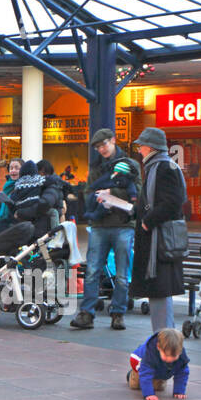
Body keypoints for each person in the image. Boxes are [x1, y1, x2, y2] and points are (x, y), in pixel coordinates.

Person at [73, 128, 142, 331]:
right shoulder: (96, 168)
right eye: (97, 147)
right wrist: (97, 198)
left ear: (113, 141)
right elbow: (87, 192)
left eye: (104, 144)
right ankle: (87, 313)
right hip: (100, 224)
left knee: (121, 272)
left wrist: (112, 192)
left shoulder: (130, 165)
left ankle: (118, 313)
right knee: (93, 270)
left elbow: (137, 192)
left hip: (123, 224)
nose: (101, 149)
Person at [131, 127, 186, 332]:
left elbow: (173, 202)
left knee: (159, 290)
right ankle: (163, 338)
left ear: (150, 147)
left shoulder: (164, 168)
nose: (139, 150)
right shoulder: (157, 167)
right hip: (155, 240)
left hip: (159, 242)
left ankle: (163, 339)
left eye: (141, 145)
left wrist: (148, 221)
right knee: (158, 291)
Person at [127, 327, 190, 400]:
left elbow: (182, 373)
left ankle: (158, 375)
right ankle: (131, 374)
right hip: (138, 361)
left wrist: (179, 391)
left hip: (160, 367)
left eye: (174, 356)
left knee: (159, 387)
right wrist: (149, 394)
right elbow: (146, 373)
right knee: (135, 385)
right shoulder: (150, 354)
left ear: (180, 351)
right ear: (158, 347)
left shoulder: (181, 356)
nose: (170, 359)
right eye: (166, 355)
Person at [0, 158, 22, 234]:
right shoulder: (7, 186)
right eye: (11, 168)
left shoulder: (24, 187)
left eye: (16, 168)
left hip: (14, 227)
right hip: (2, 225)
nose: (13, 170)